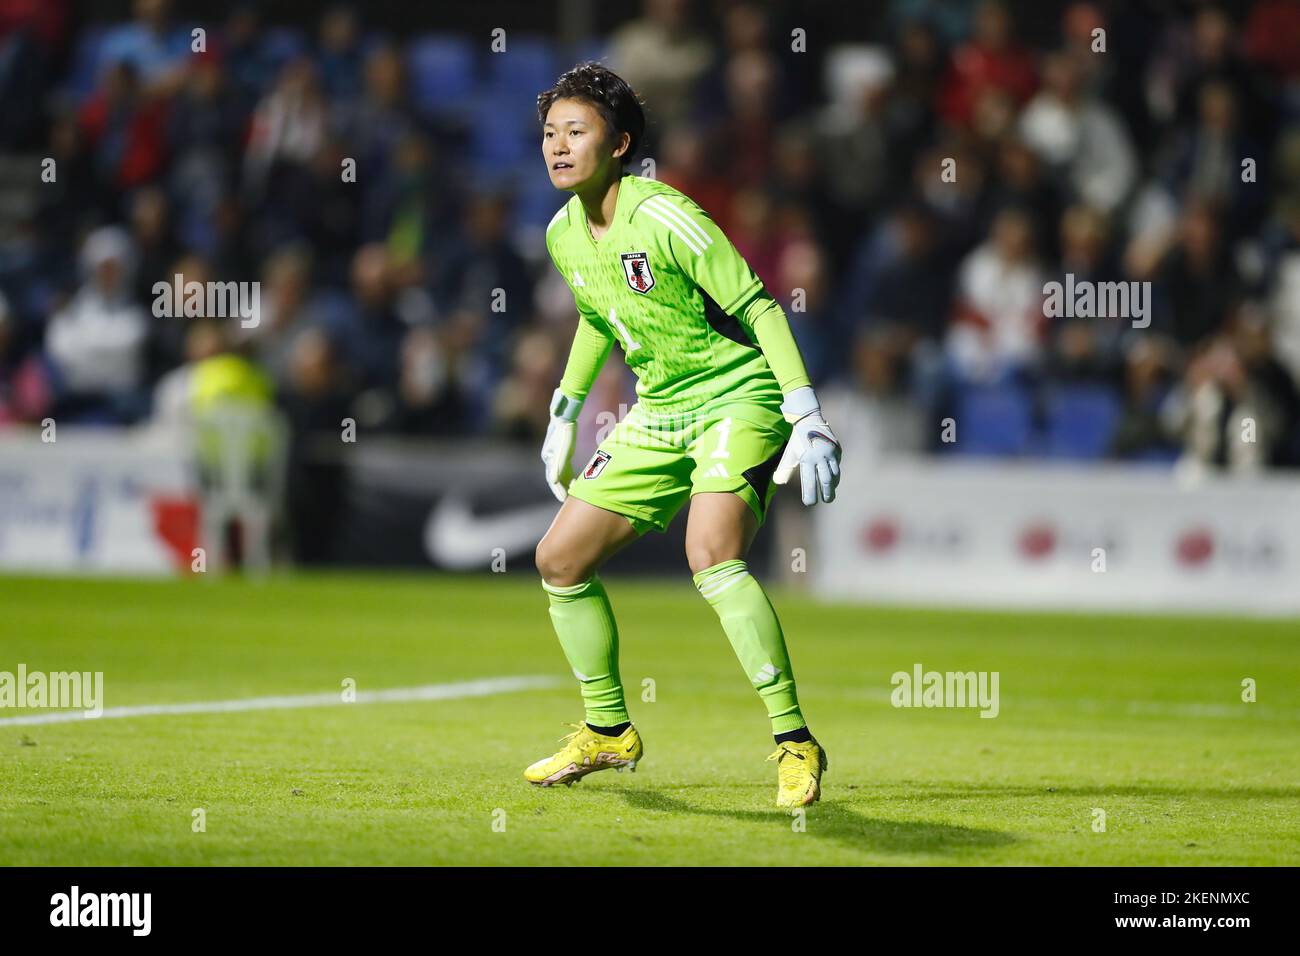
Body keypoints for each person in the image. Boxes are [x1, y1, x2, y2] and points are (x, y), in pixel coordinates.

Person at [528, 63, 842, 807]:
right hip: (661, 409)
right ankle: (607, 730)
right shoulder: (562, 233)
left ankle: (794, 741)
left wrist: (806, 412)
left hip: (740, 394)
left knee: (711, 553)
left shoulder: (665, 215)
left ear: (620, 143)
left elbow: (761, 306)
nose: (558, 146)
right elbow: (599, 317)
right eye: (549, 133)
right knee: (559, 558)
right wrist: (565, 409)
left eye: (576, 131)